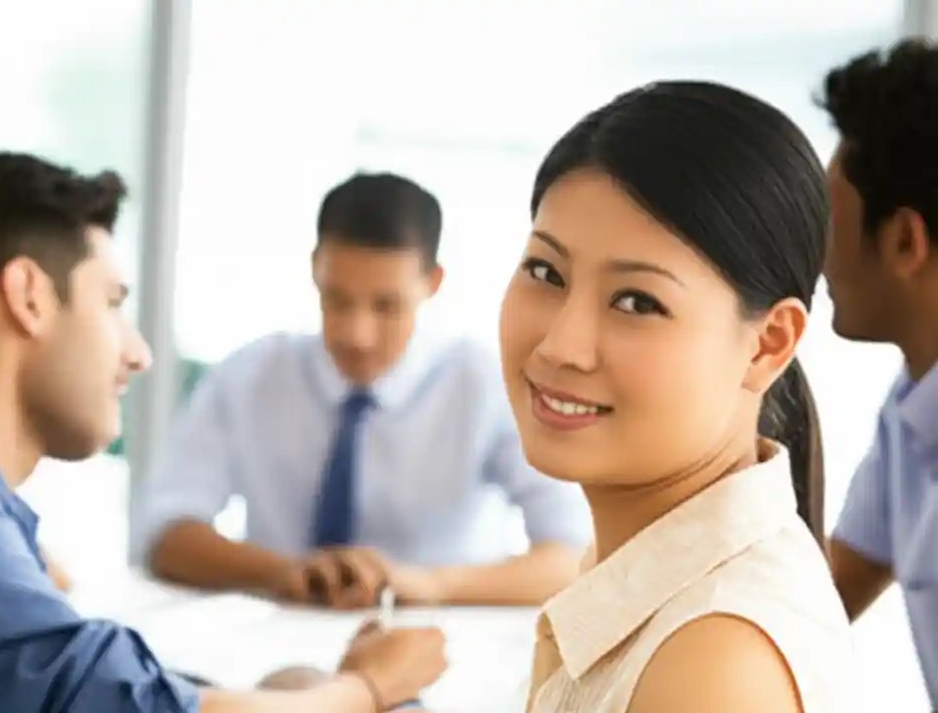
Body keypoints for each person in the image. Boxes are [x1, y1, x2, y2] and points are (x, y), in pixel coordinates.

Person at [0, 152, 447, 712]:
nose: (138, 353)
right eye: (112, 303)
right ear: (28, 297)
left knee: (295, 684)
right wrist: (369, 687)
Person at [513, 82, 852, 713]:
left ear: (767, 344)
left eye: (637, 302)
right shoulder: (646, 570)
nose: (560, 346)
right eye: (546, 272)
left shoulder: (714, 660)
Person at [135, 173, 590, 609]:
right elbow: (161, 533)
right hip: (273, 637)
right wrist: (285, 573)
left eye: (387, 306)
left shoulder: (487, 386)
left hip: (438, 640)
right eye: (336, 299)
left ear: (433, 284)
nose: (358, 335)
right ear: (315, 269)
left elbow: (576, 556)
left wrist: (431, 584)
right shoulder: (249, 375)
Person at [820, 39, 938, 709]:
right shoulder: (914, 402)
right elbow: (822, 595)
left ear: (904, 241)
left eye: (830, 222)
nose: (819, 261)